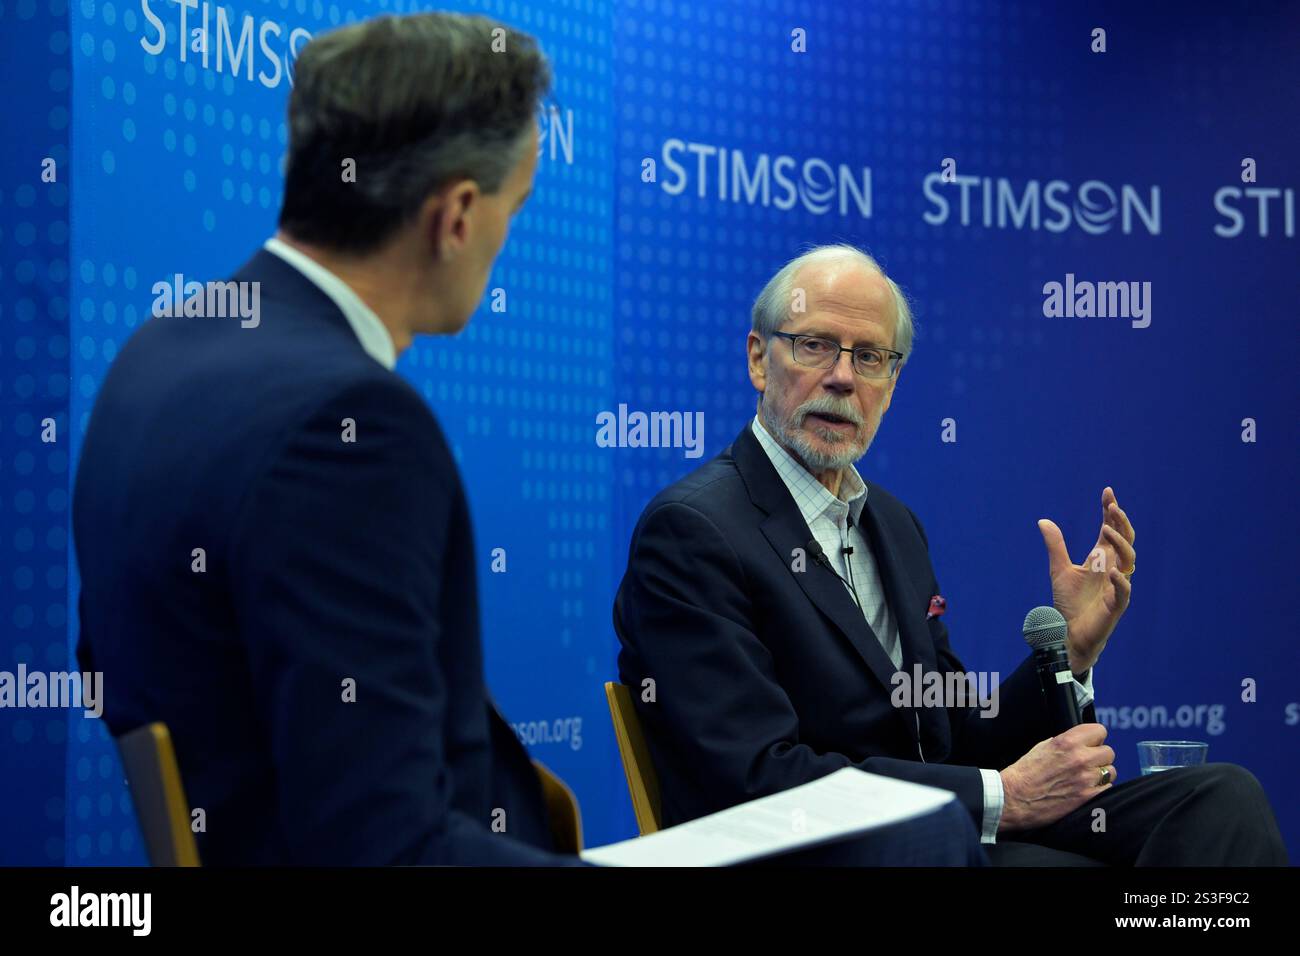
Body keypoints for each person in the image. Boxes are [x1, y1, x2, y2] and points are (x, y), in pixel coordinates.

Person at [74, 12, 578, 865]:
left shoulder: (159, 348)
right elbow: (385, 848)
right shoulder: (351, 428)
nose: (505, 237)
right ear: (456, 213)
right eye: (513, 207)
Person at [613, 244, 1288, 866]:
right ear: (760, 359)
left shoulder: (894, 524)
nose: (844, 379)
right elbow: (755, 777)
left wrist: (1070, 657)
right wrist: (999, 798)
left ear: (894, 381)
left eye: (871, 357)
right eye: (815, 346)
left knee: (1219, 801)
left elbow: (947, 731)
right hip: (817, 855)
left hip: (940, 836)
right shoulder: (694, 531)